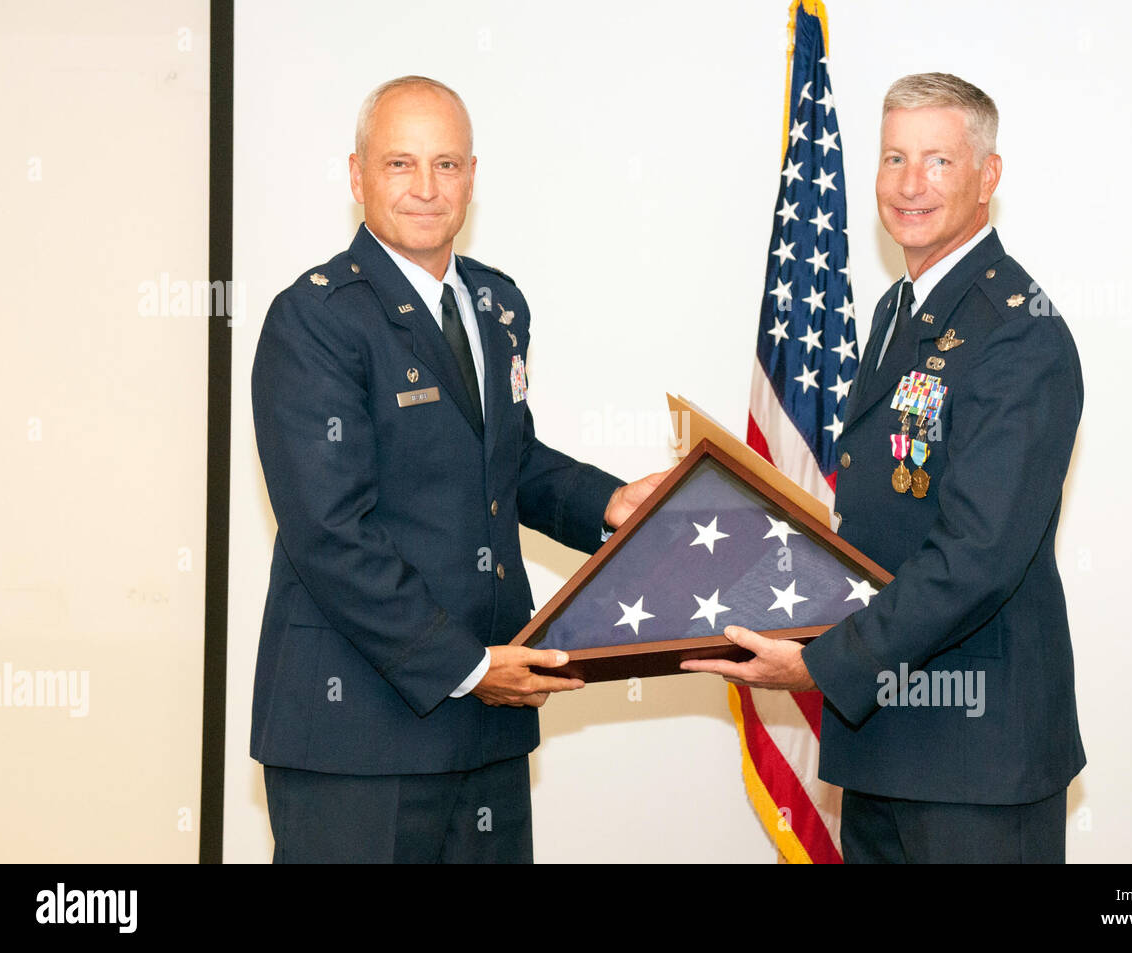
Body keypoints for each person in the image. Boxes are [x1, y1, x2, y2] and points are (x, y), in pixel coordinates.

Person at [250, 75, 665, 863]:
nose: (426, 188)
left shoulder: (497, 303)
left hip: (488, 723)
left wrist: (612, 503)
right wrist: (469, 666)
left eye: (446, 164)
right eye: (400, 164)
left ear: (472, 176)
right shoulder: (315, 318)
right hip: (358, 732)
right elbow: (329, 531)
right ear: (356, 174)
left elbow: (506, 463)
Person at [683, 72, 1085, 863]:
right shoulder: (902, 310)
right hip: (884, 741)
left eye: (937, 161)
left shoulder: (1018, 332)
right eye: (894, 157)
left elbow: (977, 556)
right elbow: (878, 519)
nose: (909, 185)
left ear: (987, 176)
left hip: (975, 761)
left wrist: (821, 660)